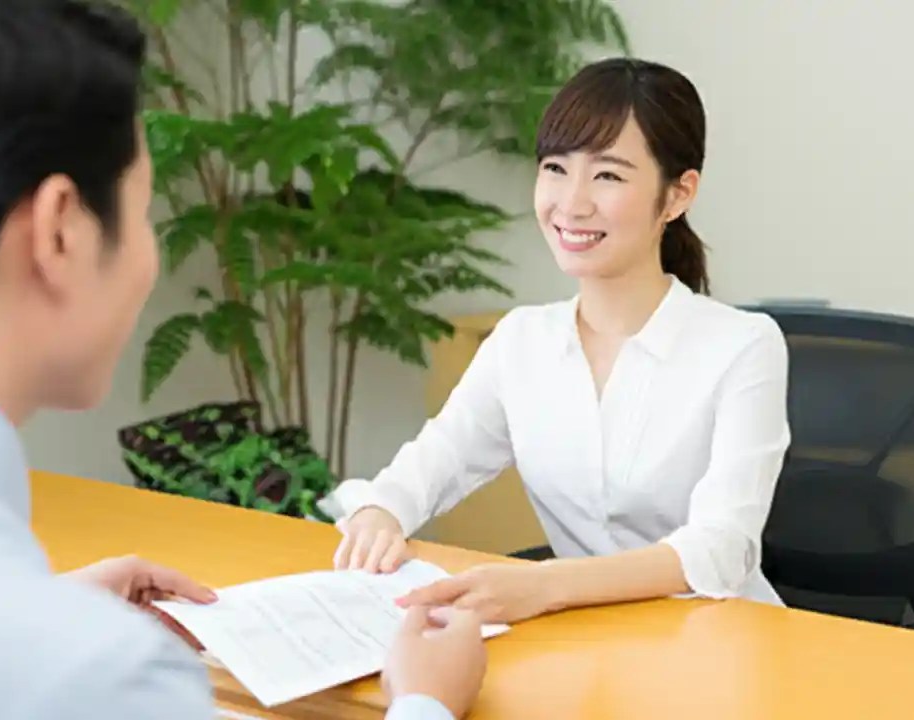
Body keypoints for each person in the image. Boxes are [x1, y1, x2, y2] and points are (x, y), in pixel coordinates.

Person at [0, 1, 483, 719]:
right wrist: (425, 702)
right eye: (142, 212)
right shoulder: (85, 671)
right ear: (61, 233)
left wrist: (45, 611)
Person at [329, 57, 792, 623]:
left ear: (677, 196)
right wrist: (380, 513)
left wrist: (546, 585)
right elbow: (435, 462)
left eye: (609, 175)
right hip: (584, 639)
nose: (571, 203)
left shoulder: (744, 347)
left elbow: (721, 549)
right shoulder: (522, 341)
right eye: (555, 168)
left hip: (719, 640)